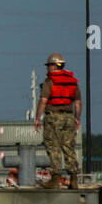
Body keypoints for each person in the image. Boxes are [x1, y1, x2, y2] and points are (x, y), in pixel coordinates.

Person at [34, 53, 81, 189]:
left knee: (53, 146)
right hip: (69, 117)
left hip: (53, 117)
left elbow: (43, 101)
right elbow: (77, 103)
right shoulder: (73, 82)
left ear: (54, 66)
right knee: (69, 147)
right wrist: (77, 118)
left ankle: (55, 179)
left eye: (49, 66)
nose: (47, 69)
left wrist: (37, 118)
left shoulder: (50, 82)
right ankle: (73, 179)